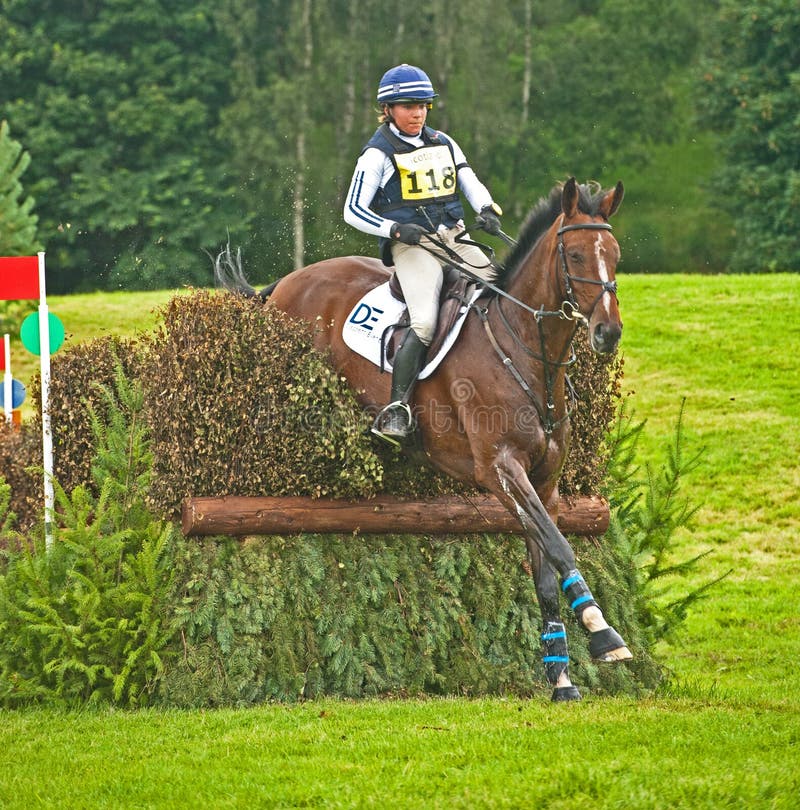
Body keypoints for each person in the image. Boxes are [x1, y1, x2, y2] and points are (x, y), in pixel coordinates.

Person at [344, 63, 503, 442]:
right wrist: (394, 229)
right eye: (408, 106)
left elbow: (468, 178)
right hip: (414, 247)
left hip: (455, 236)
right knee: (425, 322)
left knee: (502, 292)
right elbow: (352, 211)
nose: (417, 113)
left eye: (423, 106)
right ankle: (397, 408)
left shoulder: (443, 142)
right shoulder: (376, 155)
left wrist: (486, 208)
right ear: (388, 109)